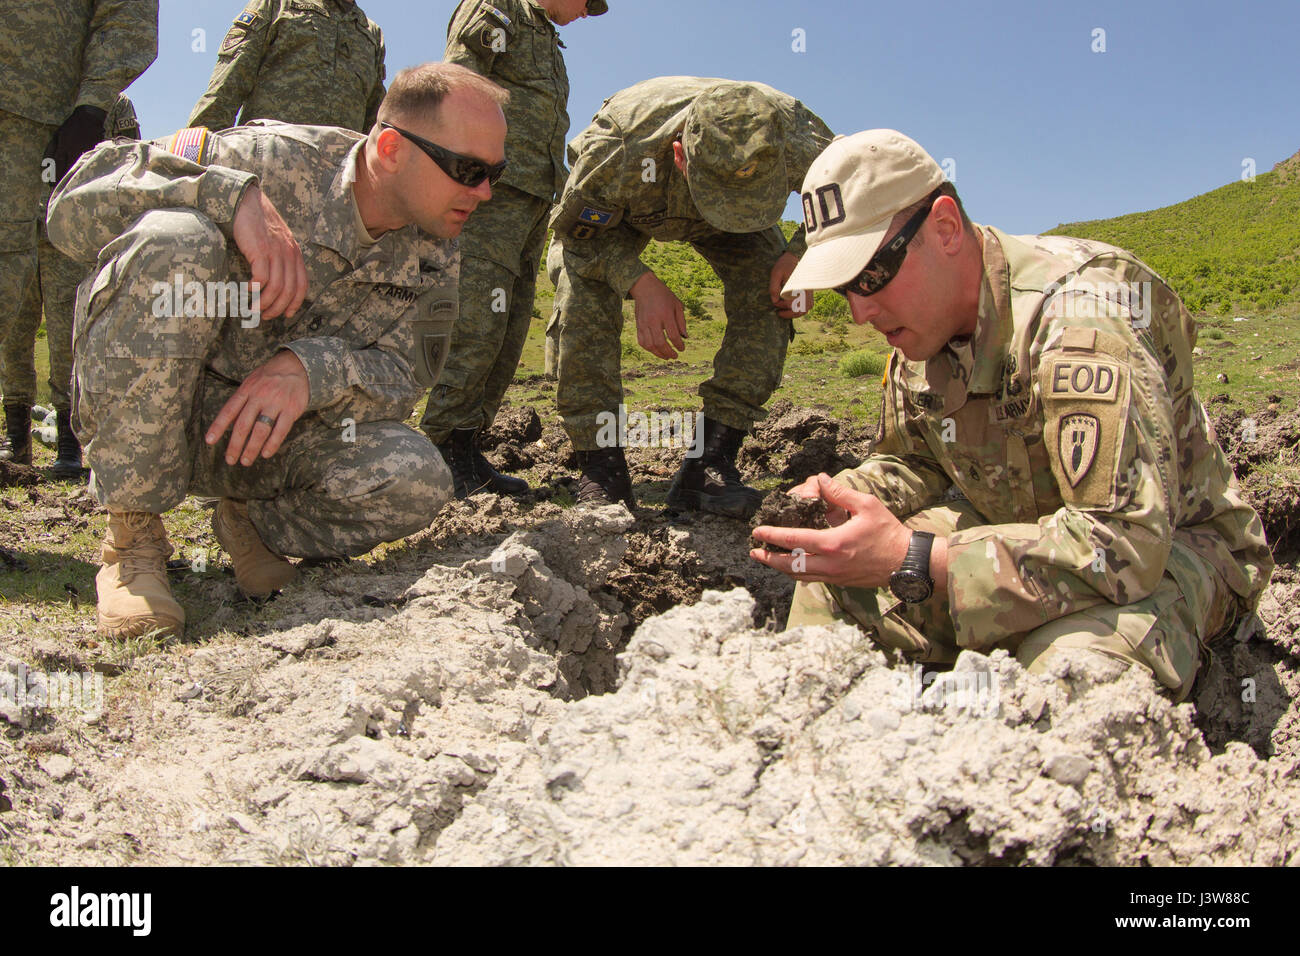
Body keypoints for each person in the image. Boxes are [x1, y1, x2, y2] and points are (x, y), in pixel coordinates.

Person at [750, 129, 1273, 701]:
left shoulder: (1080, 322)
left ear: (944, 227)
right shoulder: (918, 337)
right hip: (1027, 534)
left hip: (1169, 548)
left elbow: (1122, 544)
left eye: (871, 276)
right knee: (832, 579)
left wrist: (914, 559)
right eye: (843, 288)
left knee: (1072, 677)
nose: (859, 312)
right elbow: (912, 459)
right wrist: (839, 496)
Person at [47, 62, 508, 640]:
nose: (484, 192)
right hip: (150, 416)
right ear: (390, 148)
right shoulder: (269, 158)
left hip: (259, 440)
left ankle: (250, 524)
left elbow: (404, 375)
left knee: (414, 476)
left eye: (495, 172)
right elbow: (70, 206)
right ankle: (133, 539)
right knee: (173, 238)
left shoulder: (437, 245)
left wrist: (310, 371)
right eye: (468, 170)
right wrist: (225, 196)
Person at [547, 76, 833, 516]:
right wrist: (639, 282)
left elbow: (849, 189)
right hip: (620, 218)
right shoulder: (621, 145)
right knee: (582, 293)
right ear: (679, 155)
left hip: (741, 225)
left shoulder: (796, 132)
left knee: (771, 296)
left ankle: (709, 466)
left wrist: (802, 257)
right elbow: (578, 238)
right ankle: (600, 467)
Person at [419, 0, 606, 499]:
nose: (588, 13)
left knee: (508, 326)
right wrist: (458, 178)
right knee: (476, 323)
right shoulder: (497, 9)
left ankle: (466, 445)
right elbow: (452, 88)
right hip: (488, 194)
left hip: (532, 201)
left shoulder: (547, 39)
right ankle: (437, 448)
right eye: (588, 2)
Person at [0, 0, 158, 467]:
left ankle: (70, 441)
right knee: (17, 329)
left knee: (69, 330)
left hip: (67, 228)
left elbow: (124, 164)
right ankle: (16, 435)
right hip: (20, 214)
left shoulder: (112, 104)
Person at [188, 0, 386, 134]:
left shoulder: (371, 33)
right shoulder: (278, 4)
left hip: (340, 180)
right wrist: (197, 158)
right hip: (264, 167)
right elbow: (229, 83)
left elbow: (374, 121)